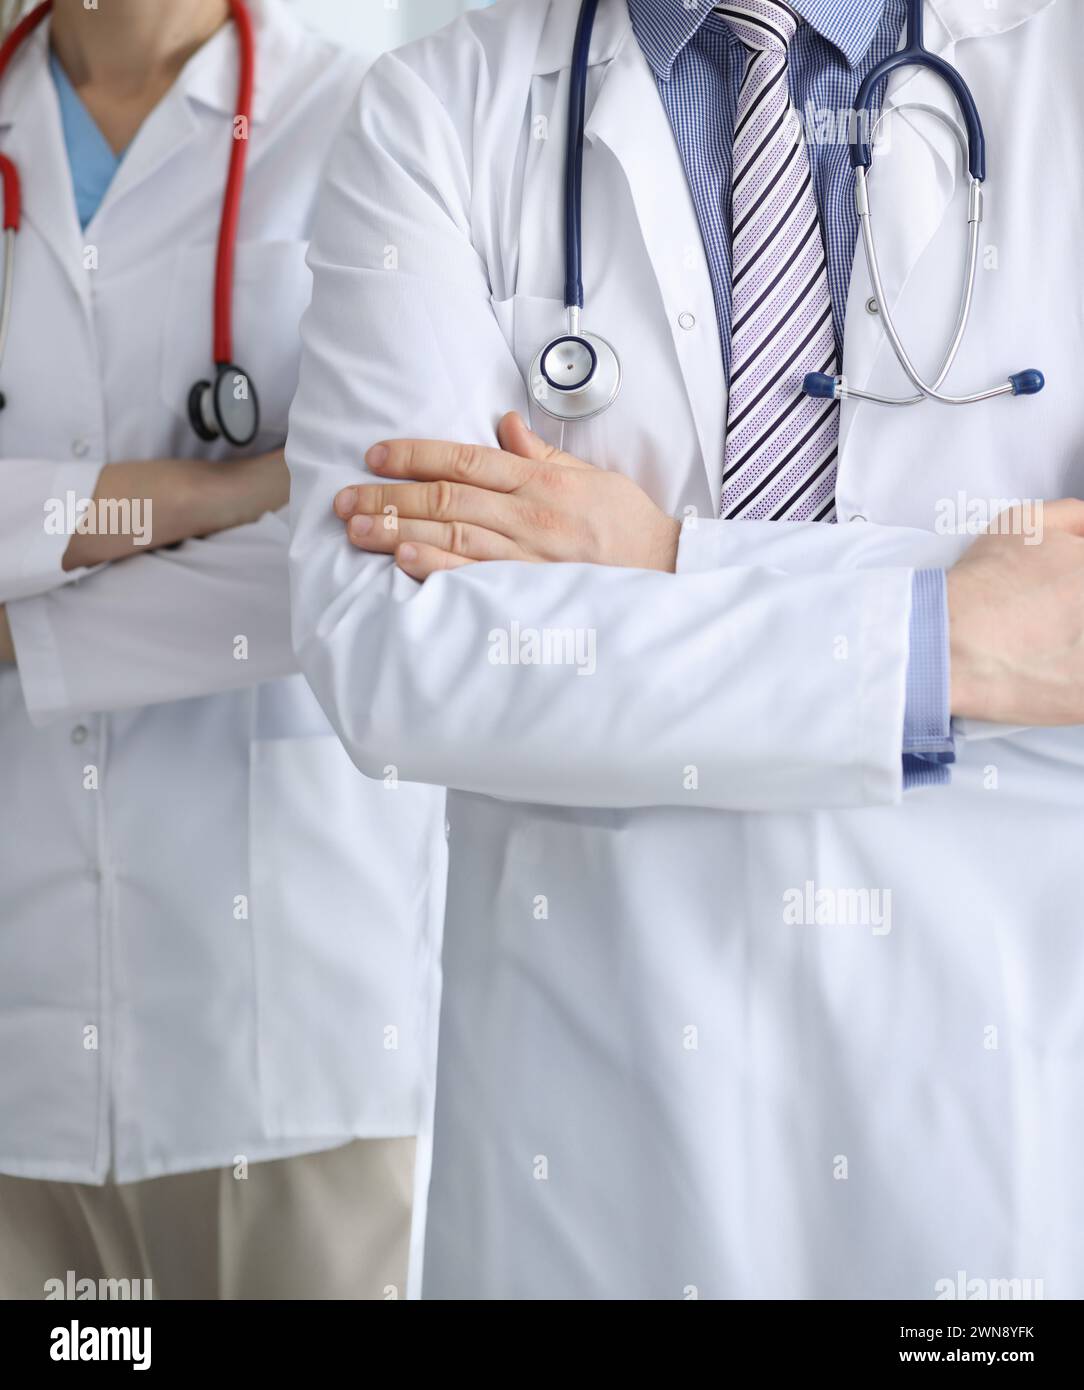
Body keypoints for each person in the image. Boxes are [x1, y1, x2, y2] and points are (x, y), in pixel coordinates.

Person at [287, 0, 1084, 1298]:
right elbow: (399, 652)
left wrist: (667, 558)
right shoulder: (437, 113)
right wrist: (950, 636)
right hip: (598, 1127)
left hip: (990, 1118)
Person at [0, 0, 445, 1300]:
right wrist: (199, 493)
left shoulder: (374, 120)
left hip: (290, 1031)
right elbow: (288, 519)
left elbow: (375, 535)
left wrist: (25, 629)